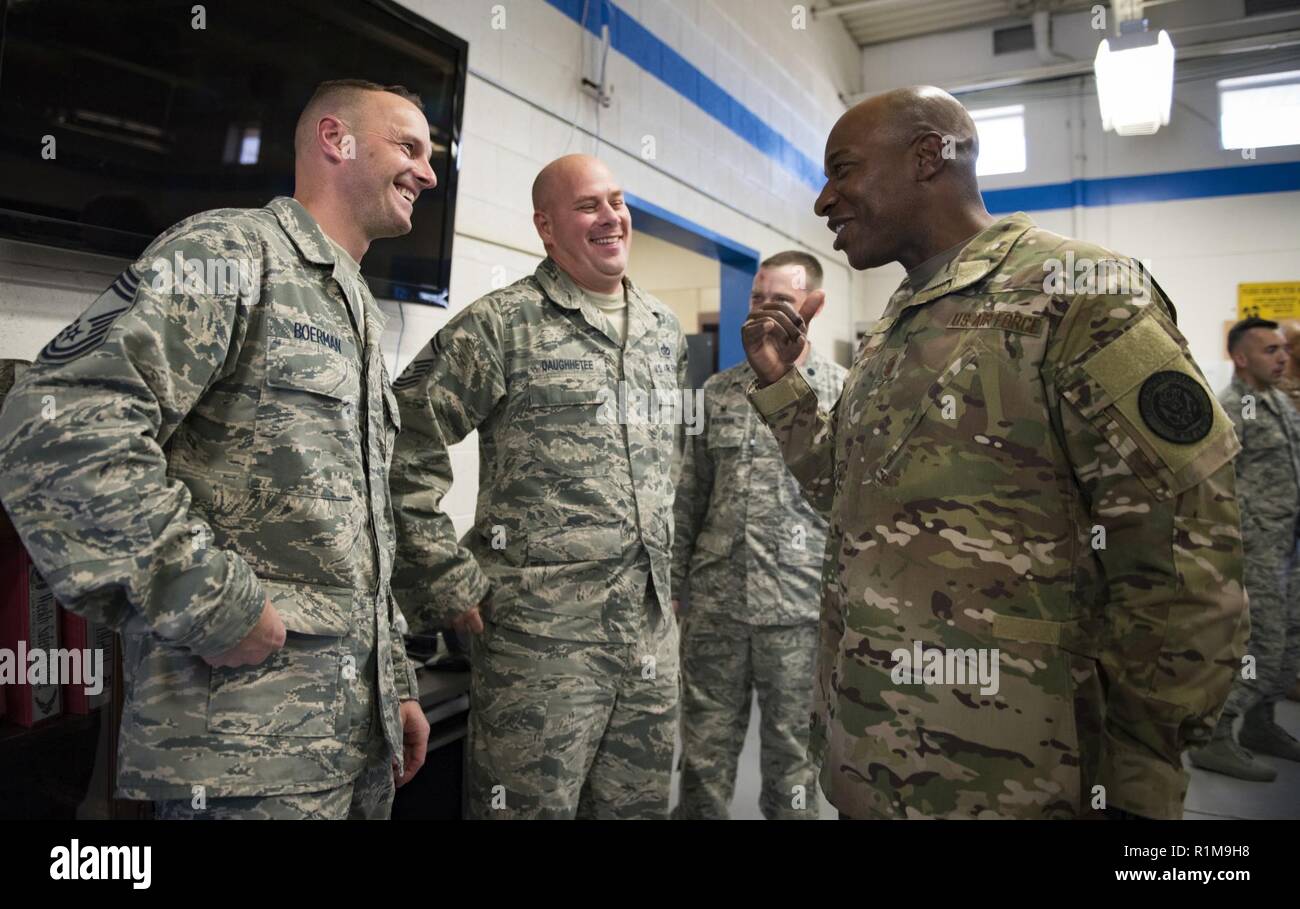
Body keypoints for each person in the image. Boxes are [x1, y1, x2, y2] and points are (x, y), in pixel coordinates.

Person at [741, 85, 1247, 820]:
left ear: (925, 157)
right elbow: (852, 499)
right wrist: (785, 389)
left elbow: (1184, 540)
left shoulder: (1079, 293)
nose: (824, 201)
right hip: (875, 759)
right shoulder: (895, 327)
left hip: (1021, 778)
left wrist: (1139, 764)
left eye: (842, 170)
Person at [0, 79, 433, 819]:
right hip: (240, 756)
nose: (427, 173)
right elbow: (55, 425)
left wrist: (394, 682)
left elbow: (355, 539)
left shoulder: (354, 306)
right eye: (409, 147)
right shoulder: (230, 253)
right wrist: (210, 598)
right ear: (336, 139)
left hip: (348, 747)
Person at [390, 154, 688, 819]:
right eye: (589, 206)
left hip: (648, 642)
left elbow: (668, 465)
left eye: (617, 200)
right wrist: (445, 577)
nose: (612, 217)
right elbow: (398, 444)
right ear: (546, 227)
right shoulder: (503, 324)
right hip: (540, 647)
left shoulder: (663, 330)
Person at [671, 251, 846, 820]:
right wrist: (673, 585)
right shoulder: (718, 392)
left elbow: (853, 511)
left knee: (793, 763)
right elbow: (689, 495)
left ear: (811, 308)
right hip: (717, 606)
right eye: (756, 299)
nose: (765, 313)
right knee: (702, 757)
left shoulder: (843, 392)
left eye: (782, 302)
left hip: (801, 611)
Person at [1187, 318, 1300, 779]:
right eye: (1270, 350)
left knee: (1291, 641)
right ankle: (1213, 736)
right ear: (1240, 357)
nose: (1282, 357)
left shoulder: (1278, 402)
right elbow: (1214, 484)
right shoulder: (1232, 409)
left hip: (1287, 541)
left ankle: (1261, 725)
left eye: (1283, 349)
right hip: (1255, 549)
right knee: (1264, 644)